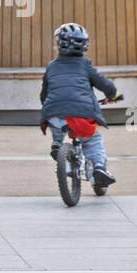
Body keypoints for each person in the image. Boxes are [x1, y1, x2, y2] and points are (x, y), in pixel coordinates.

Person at [42, 22, 120, 192]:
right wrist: (112, 95)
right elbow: (104, 85)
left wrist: (47, 107)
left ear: (59, 43)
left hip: (54, 113)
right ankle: (99, 168)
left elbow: (44, 94)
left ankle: (57, 144)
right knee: (92, 140)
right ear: (84, 45)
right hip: (81, 114)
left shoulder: (51, 66)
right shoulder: (85, 65)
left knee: (57, 120)